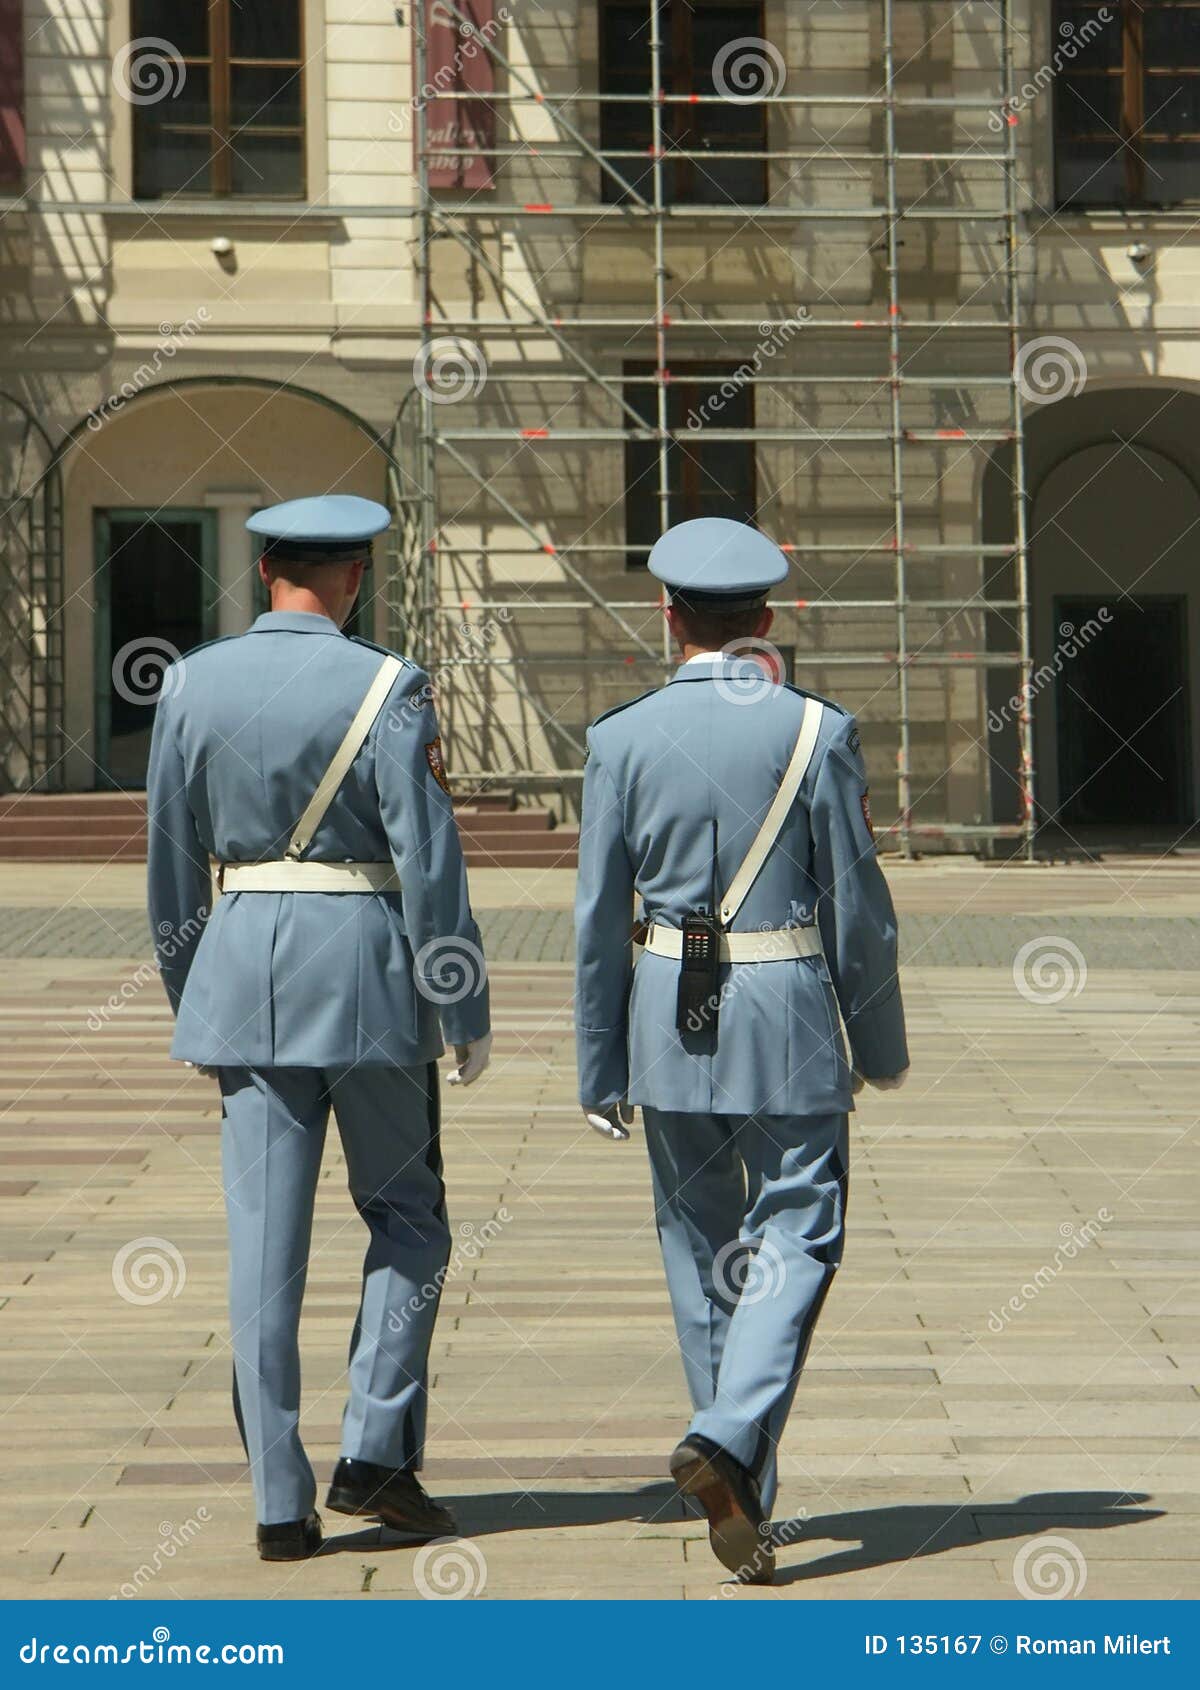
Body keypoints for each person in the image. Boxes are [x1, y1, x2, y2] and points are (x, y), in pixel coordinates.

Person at [147, 494, 492, 1562]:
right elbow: (428, 865)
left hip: (244, 973)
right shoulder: (390, 683)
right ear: (354, 578)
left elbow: (169, 859)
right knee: (410, 1217)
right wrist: (462, 1000)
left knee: (264, 1253)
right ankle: (378, 1451)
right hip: (370, 981)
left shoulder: (193, 681)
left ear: (265, 573)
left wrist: (189, 987)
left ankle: (276, 1503)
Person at [573, 516, 909, 1584]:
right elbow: (859, 903)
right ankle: (725, 1442)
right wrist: (881, 1036)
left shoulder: (620, 738)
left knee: (700, 1249)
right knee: (802, 1226)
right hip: (786, 1000)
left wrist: (599, 1061)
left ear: (665, 614)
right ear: (766, 619)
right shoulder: (816, 731)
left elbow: (593, 921)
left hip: (668, 1006)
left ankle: (735, 1482)